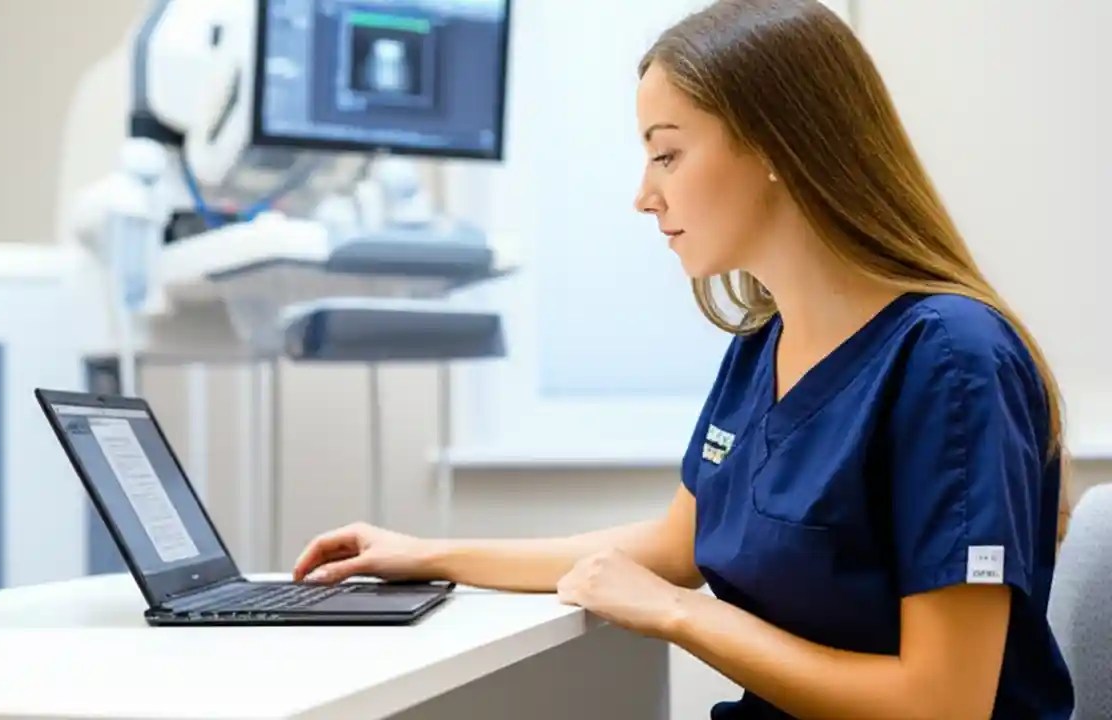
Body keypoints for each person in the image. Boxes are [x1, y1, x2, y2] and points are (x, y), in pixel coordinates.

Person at [292, 0, 1075, 717]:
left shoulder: (952, 359)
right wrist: (428, 554)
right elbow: (674, 547)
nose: (644, 194)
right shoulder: (763, 344)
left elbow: (944, 705)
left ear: (777, 147)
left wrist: (682, 616)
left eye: (666, 155)